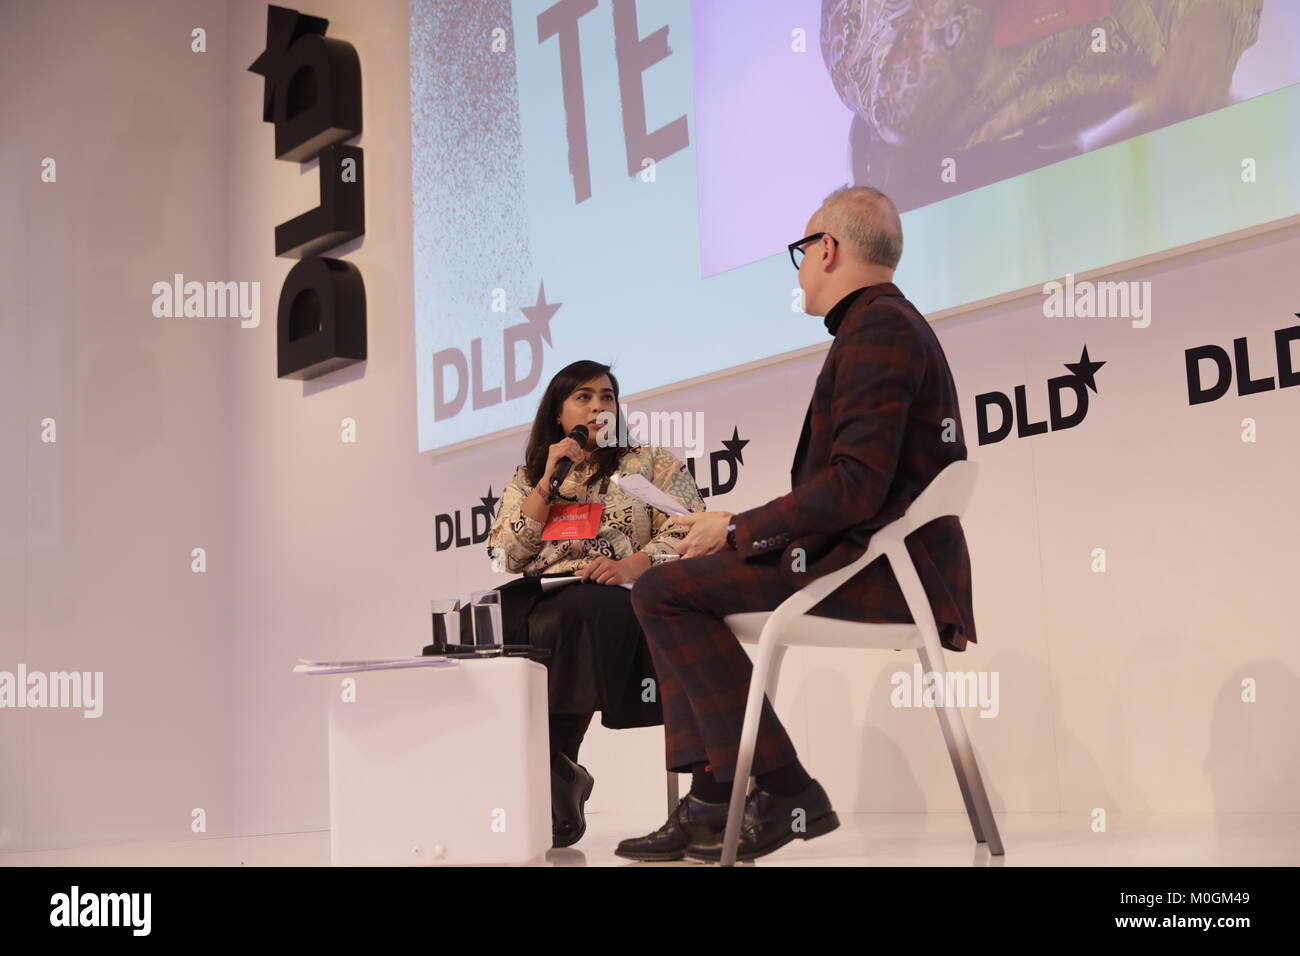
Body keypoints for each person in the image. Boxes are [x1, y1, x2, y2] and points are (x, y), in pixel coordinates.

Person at [618, 185, 977, 862]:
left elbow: (853, 486)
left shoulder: (879, 327)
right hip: (870, 561)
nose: (803, 267)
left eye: (803, 251)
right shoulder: (881, 323)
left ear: (828, 248)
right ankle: (714, 797)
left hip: (886, 574)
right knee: (675, 583)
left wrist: (733, 529)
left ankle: (781, 789)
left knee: (664, 591)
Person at [485, 359, 707, 848]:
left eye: (606, 397)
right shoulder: (532, 476)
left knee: (565, 621)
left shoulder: (649, 461)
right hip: (546, 589)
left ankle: (555, 767)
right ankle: (547, 772)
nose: (597, 406)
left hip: (622, 592)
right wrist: (547, 484)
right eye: (583, 397)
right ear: (559, 415)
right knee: (481, 624)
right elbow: (506, 554)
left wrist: (634, 566)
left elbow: (691, 526)